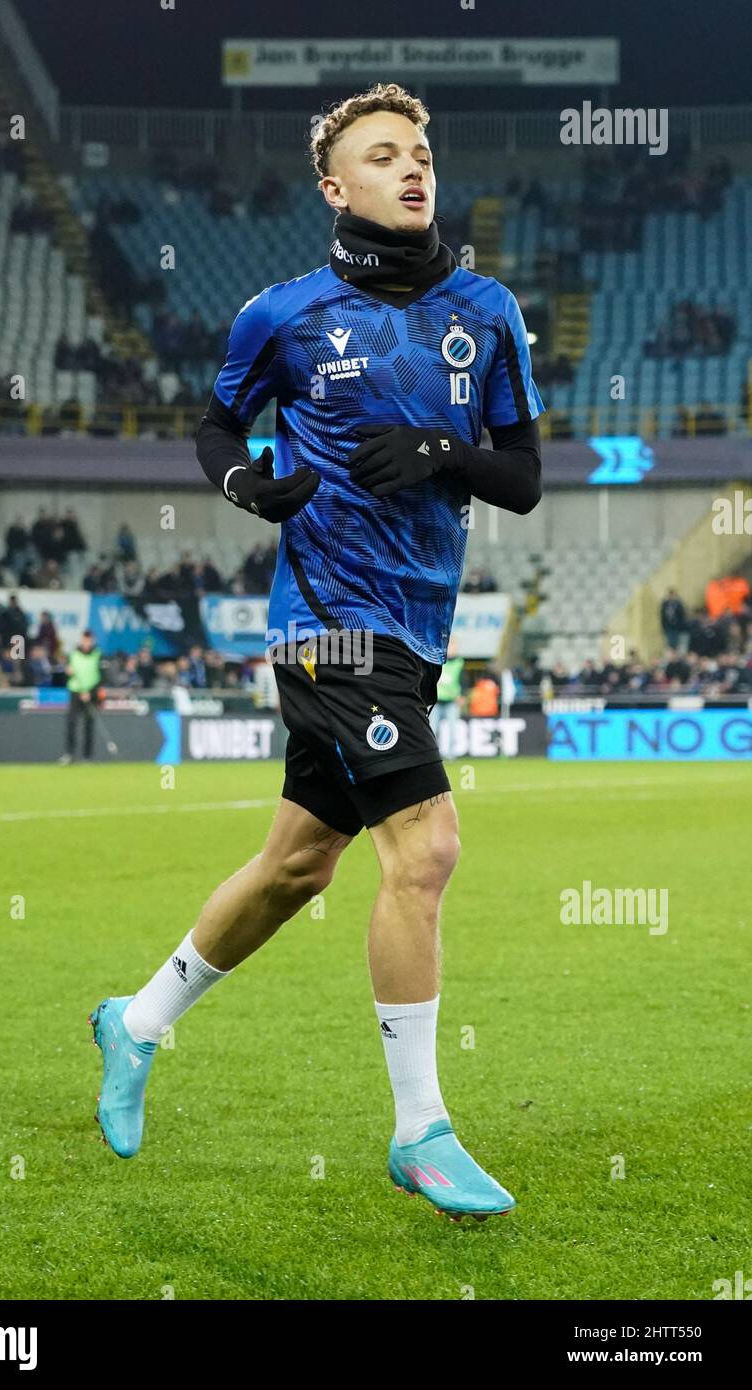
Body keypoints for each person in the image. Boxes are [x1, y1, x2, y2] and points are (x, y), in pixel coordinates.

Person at [89, 83, 543, 1222]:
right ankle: (418, 1129)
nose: (412, 167)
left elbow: (524, 478)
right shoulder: (281, 315)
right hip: (325, 625)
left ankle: (134, 1021)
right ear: (335, 188)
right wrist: (248, 480)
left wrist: (441, 445)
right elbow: (212, 423)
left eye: (421, 151)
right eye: (383, 155)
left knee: (297, 866)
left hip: (414, 630)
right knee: (426, 848)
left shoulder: (485, 310)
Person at [60, 630, 102, 764]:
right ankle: (69, 754)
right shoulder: (73, 654)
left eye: (89, 640)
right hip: (75, 691)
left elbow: (101, 677)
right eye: (84, 640)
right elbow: (66, 673)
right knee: (71, 722)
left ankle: (87, 756)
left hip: (91, 693)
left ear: (93, 641)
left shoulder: (98, 655)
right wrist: (67, 672)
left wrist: (91, 692)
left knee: (89, 725)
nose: (86, 643)